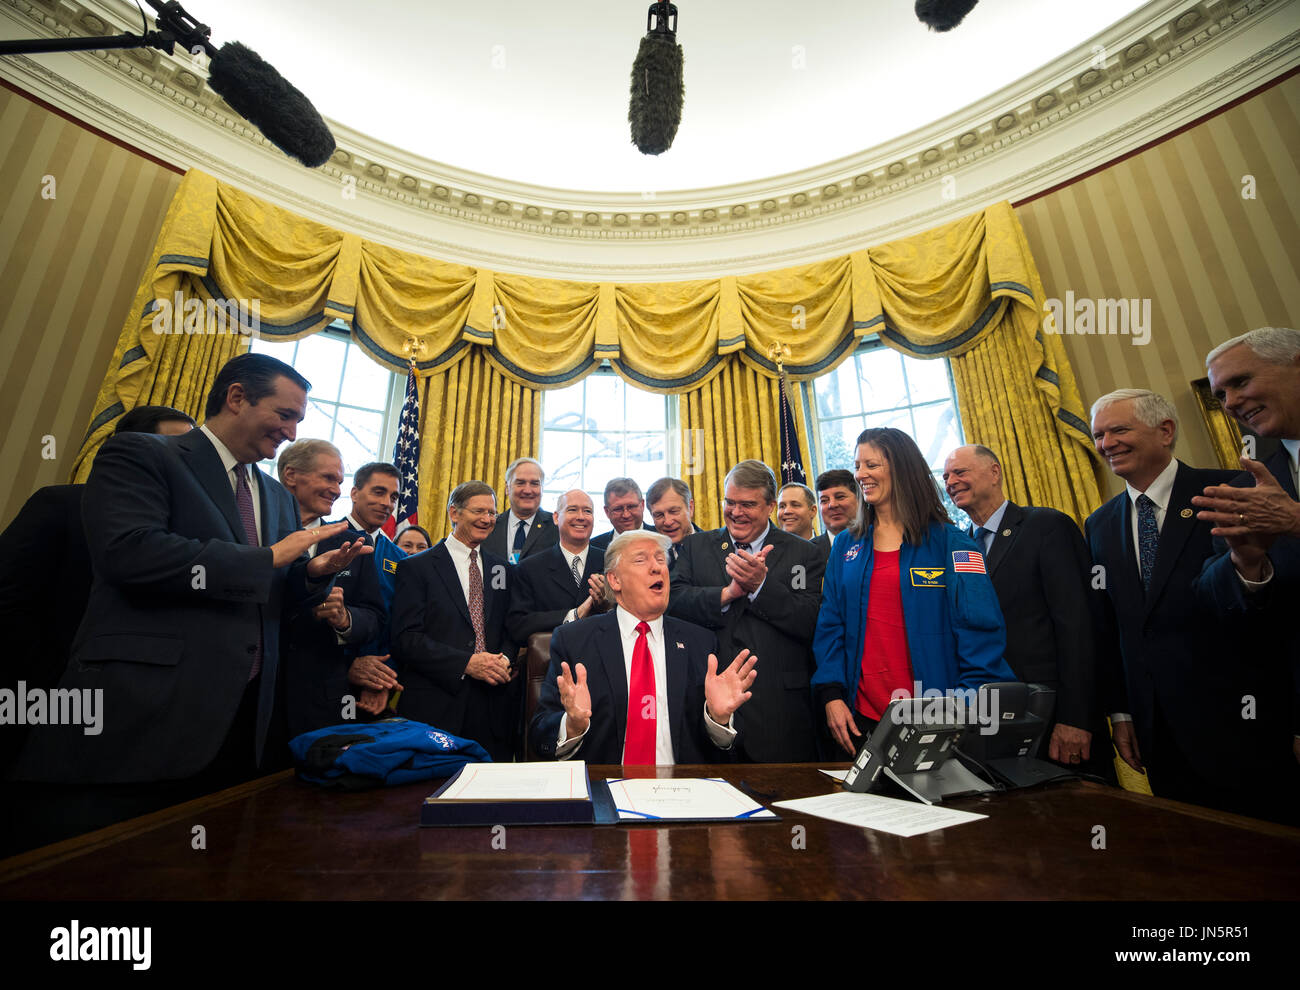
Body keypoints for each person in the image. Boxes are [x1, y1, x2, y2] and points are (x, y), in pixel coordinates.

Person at [10, 354, 370, 847]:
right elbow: (128, 553)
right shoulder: (143, 455)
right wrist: (265, 559)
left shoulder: (275, 495)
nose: (289, 434)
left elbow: (272, 596)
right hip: (143, 717)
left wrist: (309, 574)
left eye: (297, 422)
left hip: (244, 725)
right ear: (237, 397)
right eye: (283, 416)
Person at [1085, 388, 1290, 820]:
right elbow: (1111, 626)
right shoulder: (1100, 523)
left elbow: (1261, 598)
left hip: (1240, 720)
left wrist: (1246, 564)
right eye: (1099, 434)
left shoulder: (1229, 491)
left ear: (1165, 431)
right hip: (1158, 731)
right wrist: (1122, 713)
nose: (1106, 443)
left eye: (1119, 429)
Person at [0, 405, 195, 779]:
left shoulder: (181, 530)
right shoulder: (60, 503)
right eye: (172, 447)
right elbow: (8, 600)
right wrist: (50, 680)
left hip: (131, 706)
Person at [813, 427, 1014, 757]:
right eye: (857, 465)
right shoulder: (846, 546)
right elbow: (830, 627)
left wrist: (961, 712)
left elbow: (981, 634)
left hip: (938, 721)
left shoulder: (953, 544)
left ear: (902, 467)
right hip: (862, 718)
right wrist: (831, 694)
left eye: (871, 465)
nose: (860, 474)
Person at [943, 444, 1111, 778]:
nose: (951, 482)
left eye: (960, 472)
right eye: (946, 476)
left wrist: (1075, 718)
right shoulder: (959, 547)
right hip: (994, 718)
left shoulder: (1046, 526)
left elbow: (1078, 625)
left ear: (994, 472)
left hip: (1055, 716)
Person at [531, 531, 757, 764]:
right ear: (615, 580)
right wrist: (572, 725)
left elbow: (726, 746)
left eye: (661, 560)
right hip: (604, 786)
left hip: (682, 788)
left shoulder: (700, 642)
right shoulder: (574, 640)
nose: (656, 568)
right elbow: (540, 735)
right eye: (641, 560)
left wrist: (717, 720)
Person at [1192, 327, 1300, 798]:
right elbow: (1213, 600)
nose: (1230, 402)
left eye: (1240, 382)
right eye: (1220, 395)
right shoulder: (1251, 486)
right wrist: (1247, 562)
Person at [668, 460, 824, 762]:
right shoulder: (695, 547)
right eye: (730, 502)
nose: (736, 512)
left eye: (748, 504)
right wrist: (727, 594)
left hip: (780, 711)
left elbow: (810, 620)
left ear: (770, 506)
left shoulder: (801, 554)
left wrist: (761, 586)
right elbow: (673, 601)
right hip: (704, 705)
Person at [391, 481, 519, 761]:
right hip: (436, 706)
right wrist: (466, 663)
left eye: (492, 513)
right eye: (479, 511)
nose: (487, 519)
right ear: (454, 513)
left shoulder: (502, 569)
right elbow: (406, 638)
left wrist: (506, 660)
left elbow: (511, 627)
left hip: (493, 707)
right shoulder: (416, 568)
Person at [278, 440, 393, 738]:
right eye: (328, 478)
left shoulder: (353, 543)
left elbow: (375, 617)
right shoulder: (255, 532)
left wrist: (345, 619)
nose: (336, 489)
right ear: (291, 476)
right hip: (249, 690)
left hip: (319, 702)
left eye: (339, 482)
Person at [506, 489, 608, 643]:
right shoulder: (529, 568)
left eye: (587, 511)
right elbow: (518, 625)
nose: (581, 517)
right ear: (556, 517)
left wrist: (606, 606)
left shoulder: (612, 563)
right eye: (572, 510)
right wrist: (574, 614)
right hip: (553, 661)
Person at [483, 457, 558, 563]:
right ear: (507, 488)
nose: (527, 490)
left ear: (542, 488)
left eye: (534, 483)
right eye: (520, 483)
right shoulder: (489, 525)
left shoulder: (557, 528)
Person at [590, 478, 655, 550]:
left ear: (642, 505)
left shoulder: (663, 539)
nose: (626, 515)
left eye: (631, 507)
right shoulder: (594, 547)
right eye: (618, 509)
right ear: (607, 512)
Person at [647, 476, 698, 563]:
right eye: (659, 515)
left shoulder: (714, 548)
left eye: (673, 511)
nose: (667, 522)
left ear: (690, 508)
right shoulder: (647, 554)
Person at [813, 469, 856, 555]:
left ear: (859, 499)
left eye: (840, 497)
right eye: (824, 500)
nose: (832, 505)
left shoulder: (877, 542)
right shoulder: (808, 552)